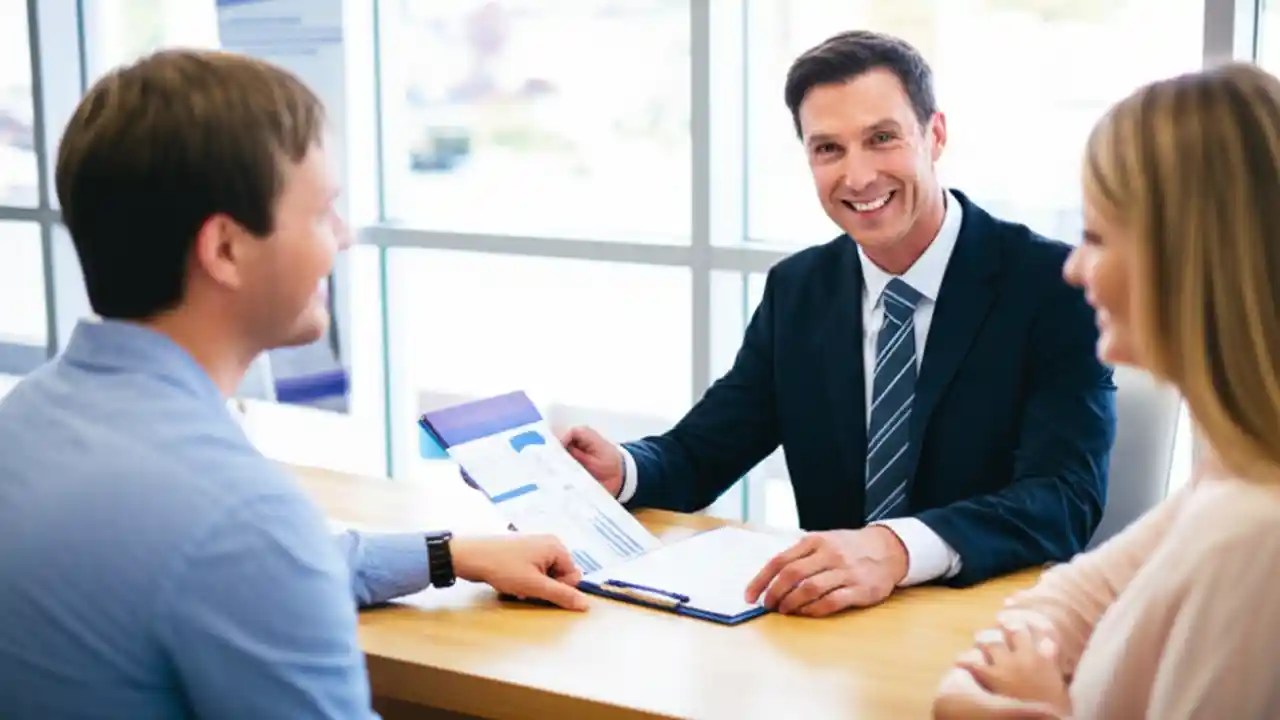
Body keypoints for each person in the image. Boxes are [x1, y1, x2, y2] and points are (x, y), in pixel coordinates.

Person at [0, 49, 586, 719]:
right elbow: (248, 551)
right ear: (224, 249)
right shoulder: (241, 518)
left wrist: (445, 554)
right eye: (321, 212)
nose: (343, 238)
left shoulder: (29, 422)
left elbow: (240, 567)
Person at [563, 30, 1116, 617]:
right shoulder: (798, 290)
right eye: (828, 149)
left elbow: (1063, 499)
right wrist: (621, 470)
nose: (857, 177)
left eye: (882, 139)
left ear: (935, 135)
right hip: (830, 627)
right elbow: (703, 454)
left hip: (986, 625)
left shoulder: (1054, 285)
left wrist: (896, 549)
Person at [933, 62, 1280, 719]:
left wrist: (1033, 708)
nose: (1072, 266)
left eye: (1095, 236)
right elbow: (1062, 600)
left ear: (1190, 258)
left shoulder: (1256, 533)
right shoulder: (1233, 473)